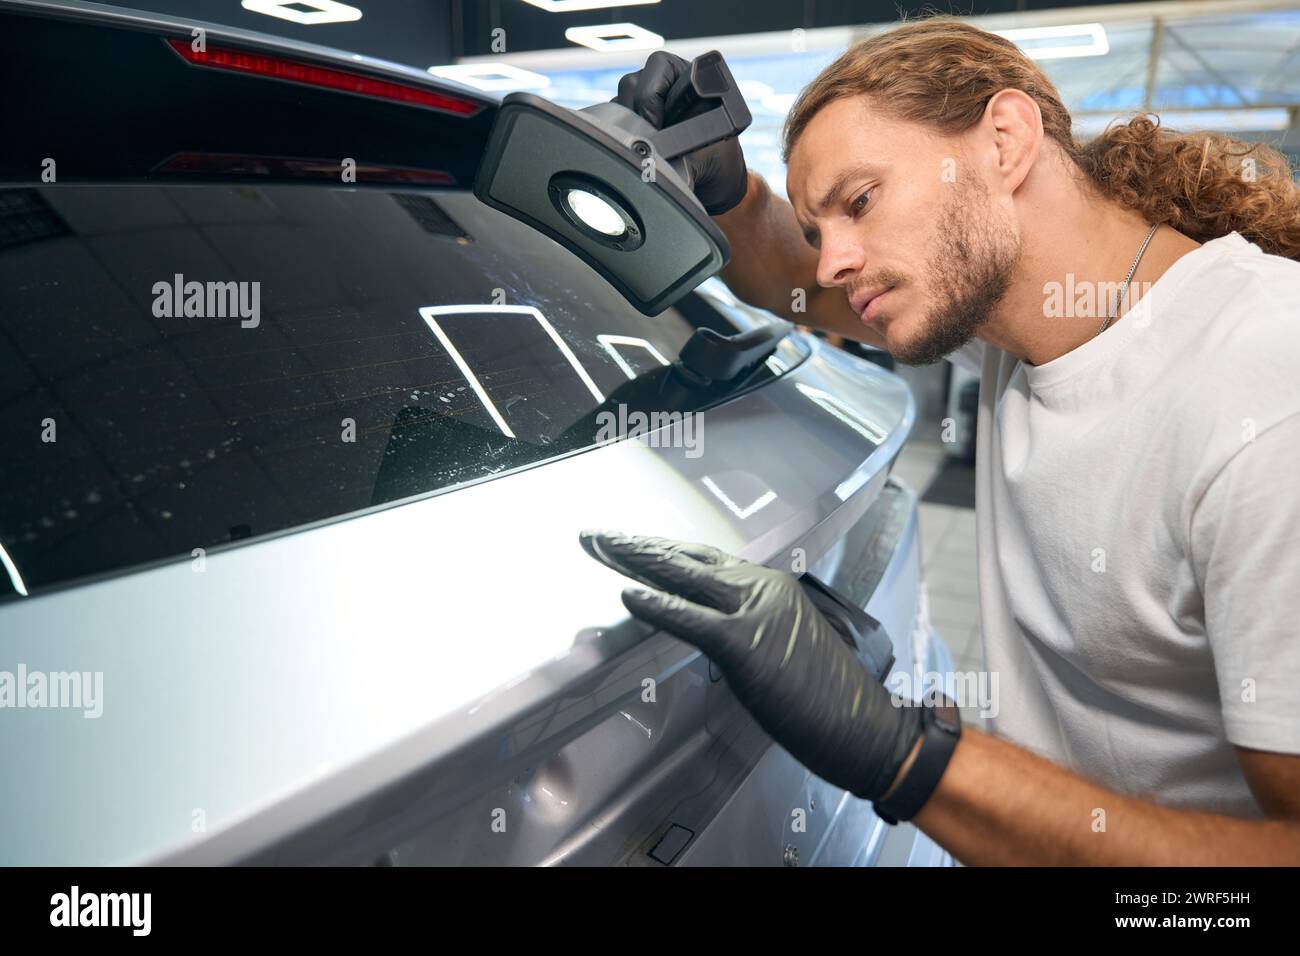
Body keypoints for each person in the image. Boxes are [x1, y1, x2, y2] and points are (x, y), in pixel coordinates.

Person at [580, 16, 1300, 865]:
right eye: (823, 232)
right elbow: (787, 279)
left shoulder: (1264, 392)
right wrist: (726, 189)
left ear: (1004, 139)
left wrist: (907, 759)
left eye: (860, 202)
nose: (830, 265)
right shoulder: (1009, 308)